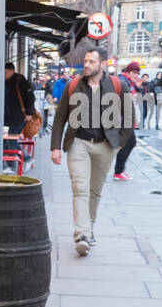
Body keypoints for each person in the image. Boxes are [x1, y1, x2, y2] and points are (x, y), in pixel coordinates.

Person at [50, 48, 135, 254]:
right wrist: (55, 147)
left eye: (91, 61)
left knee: (94, 191)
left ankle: (90, 227)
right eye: (85, 61)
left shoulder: (118, 85)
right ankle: (81, 234)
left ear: (102, 64)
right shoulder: (72, 86)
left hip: (105, 145)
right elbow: (60, 117)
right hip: (79, 143)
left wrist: (119, 144)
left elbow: (130, 117)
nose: (86, 65)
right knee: (80, 188)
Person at [113, 62, 141, 179]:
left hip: (127, 118)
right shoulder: (123, 81)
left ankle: (119, 170)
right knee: (127, 143)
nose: (137, 76)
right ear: (129, 72)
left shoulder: (128, 81)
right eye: (135, 73)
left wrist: (137, 86)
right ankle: (118, 172)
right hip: (123, 118)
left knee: (129, 143)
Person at [4, 61, 36, 135]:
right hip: (7, 117)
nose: (4, 75)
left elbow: (30, 97)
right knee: (8, 140)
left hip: (18, 117)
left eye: (6, 72)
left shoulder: (20, 81)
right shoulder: (5, 82)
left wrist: (29, 113)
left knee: (11, 140)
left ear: (12, 71)